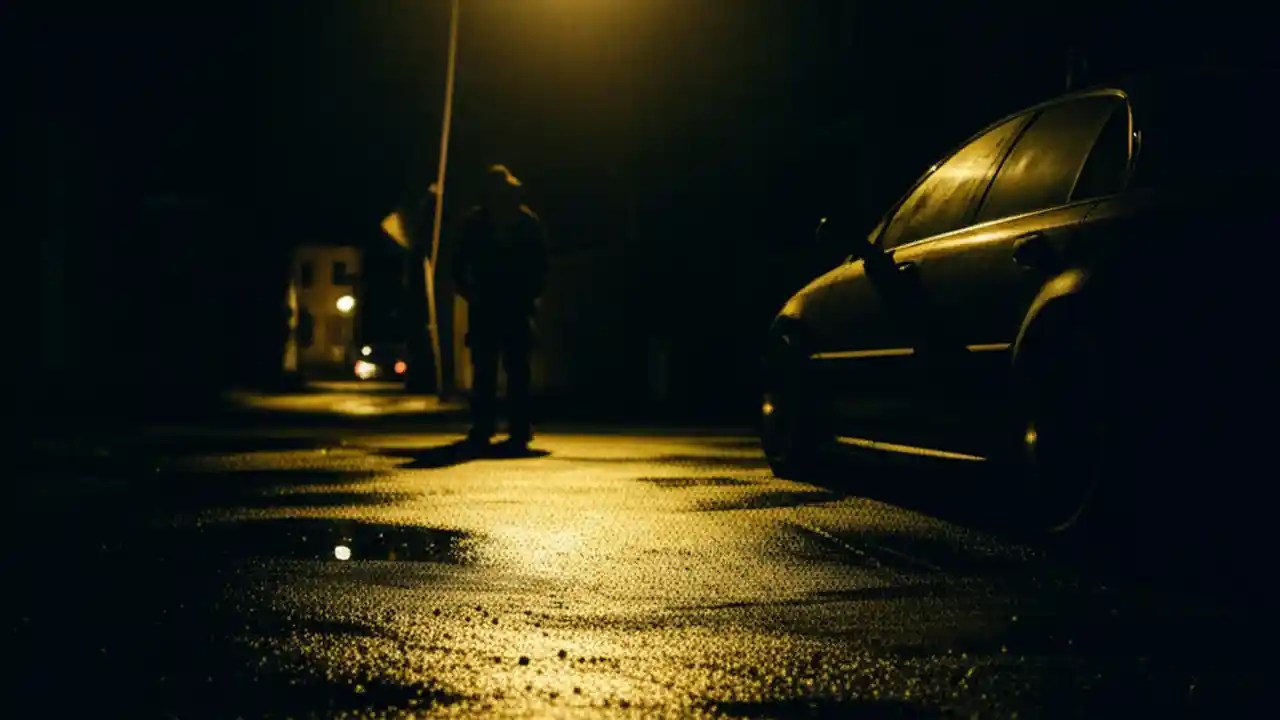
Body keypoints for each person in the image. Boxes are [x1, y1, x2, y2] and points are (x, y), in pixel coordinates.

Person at [453, 165, 548, 450]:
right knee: (490, 368)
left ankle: (511, 426)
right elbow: (459, 264)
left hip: (511, 302)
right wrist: (470, 292)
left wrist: (531, 293)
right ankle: (491, 425)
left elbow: (540, 264)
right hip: (490, 302)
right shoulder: (481, 222)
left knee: (513, 368)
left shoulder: (523, 222)